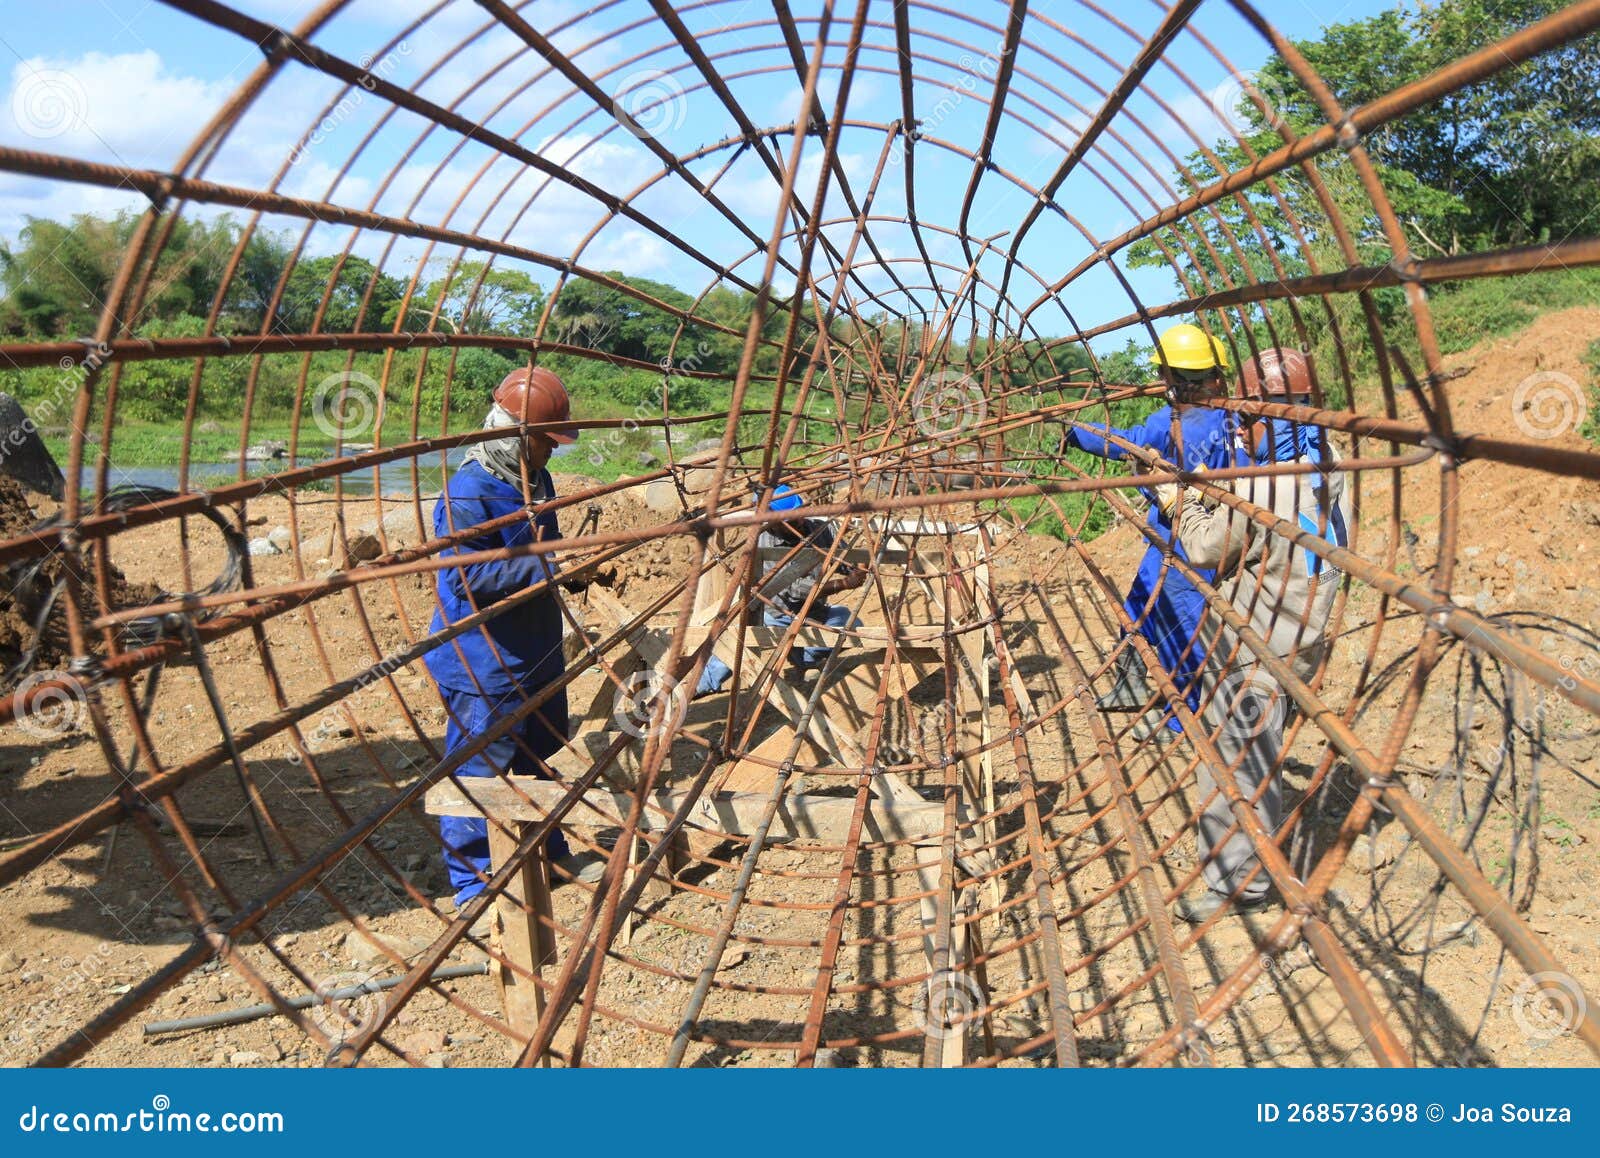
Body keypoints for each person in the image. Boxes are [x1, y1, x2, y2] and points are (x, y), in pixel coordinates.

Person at [1155, 346, 1351, 922]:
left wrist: (1181, 505)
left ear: (1281, 415)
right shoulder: (1327, 460)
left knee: (1237, 761)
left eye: (1248, 420)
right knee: (1258, 749)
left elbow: (1207, 546)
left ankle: (1238, 885)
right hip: (1303, 633)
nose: (1238, 432)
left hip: (1257, 644)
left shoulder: (1267, 487)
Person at [425, 366, 599, 905]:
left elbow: (541, 552)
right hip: (486, 664)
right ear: (514, 435)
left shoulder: (534, 477)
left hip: (536, 652)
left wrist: (569, 565)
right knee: (482, 772)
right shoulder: (469, 493)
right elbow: (466, 579)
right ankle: (474, 887)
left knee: (539, 754)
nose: (551, 452)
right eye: (546, 441)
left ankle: (544, 855)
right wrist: (553, 568)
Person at [1066, 322, 1246, 739]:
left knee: (1181, 620)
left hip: (1190, 534)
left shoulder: (1178, 421)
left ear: (1179, 378)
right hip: (1177, 531)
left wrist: (1078, 433)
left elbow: (1129, 442)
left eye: (1165, 373)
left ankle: (1182, 710)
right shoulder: (1228, 417)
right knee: (1141, 604)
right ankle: (1131, 683)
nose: (1160, 380)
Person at [694, 483, 866, 697]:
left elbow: (843, 559)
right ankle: (702, 684)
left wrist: (856, 565)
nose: (801, 521)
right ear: (774, 523)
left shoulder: (819, 529)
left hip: (814, 613)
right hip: (777, 615)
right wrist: (843, 584)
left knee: (852, 623)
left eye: (800, 514)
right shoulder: (764, 544)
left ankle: (804, 657)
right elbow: (795, 590)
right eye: (793, 520)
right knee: (742, 637)